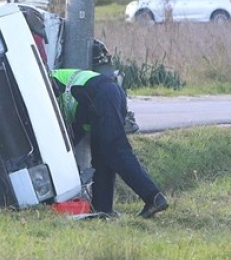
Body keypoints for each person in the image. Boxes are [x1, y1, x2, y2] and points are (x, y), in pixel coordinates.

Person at [50, 68, 168, 218]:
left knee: (116, 150)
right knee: (101, 157)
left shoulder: (46, 80)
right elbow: (72, 134)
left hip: (102, 94)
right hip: (104, 96)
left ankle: (153, 197)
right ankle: (102, 208)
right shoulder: (58, 93)